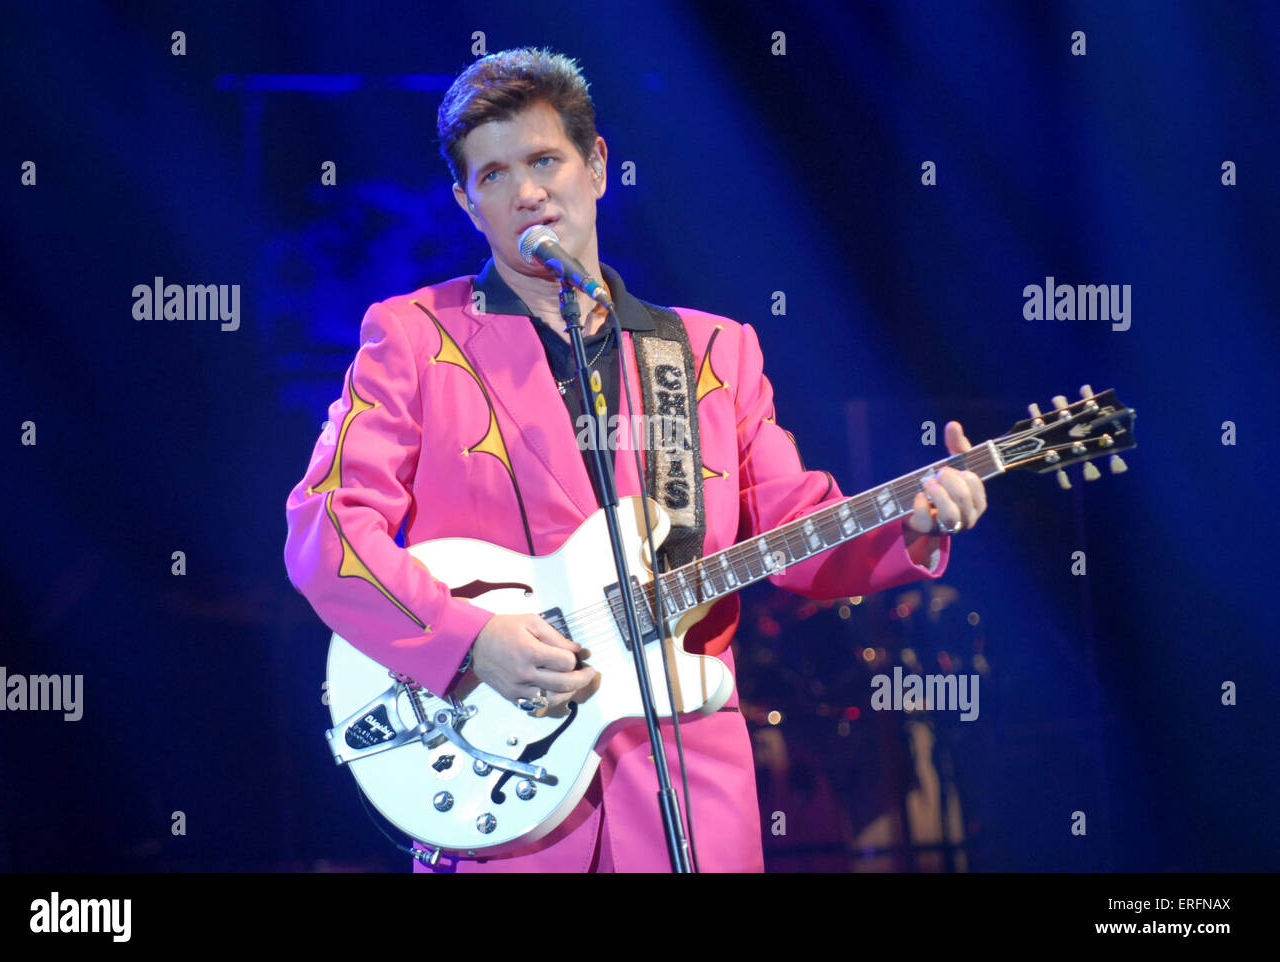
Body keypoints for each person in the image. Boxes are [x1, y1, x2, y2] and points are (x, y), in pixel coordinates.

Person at [283, 47, 987, 872]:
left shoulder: (711, 350)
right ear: (467, 203)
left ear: (597, 166)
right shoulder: (412, 336)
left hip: (690, 793)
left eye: (546, 160)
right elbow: (325, 532)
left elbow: (794, 528)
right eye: (495, 175)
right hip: (506, 790)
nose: (528, 192)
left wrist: (911, 520)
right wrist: (468, 641)